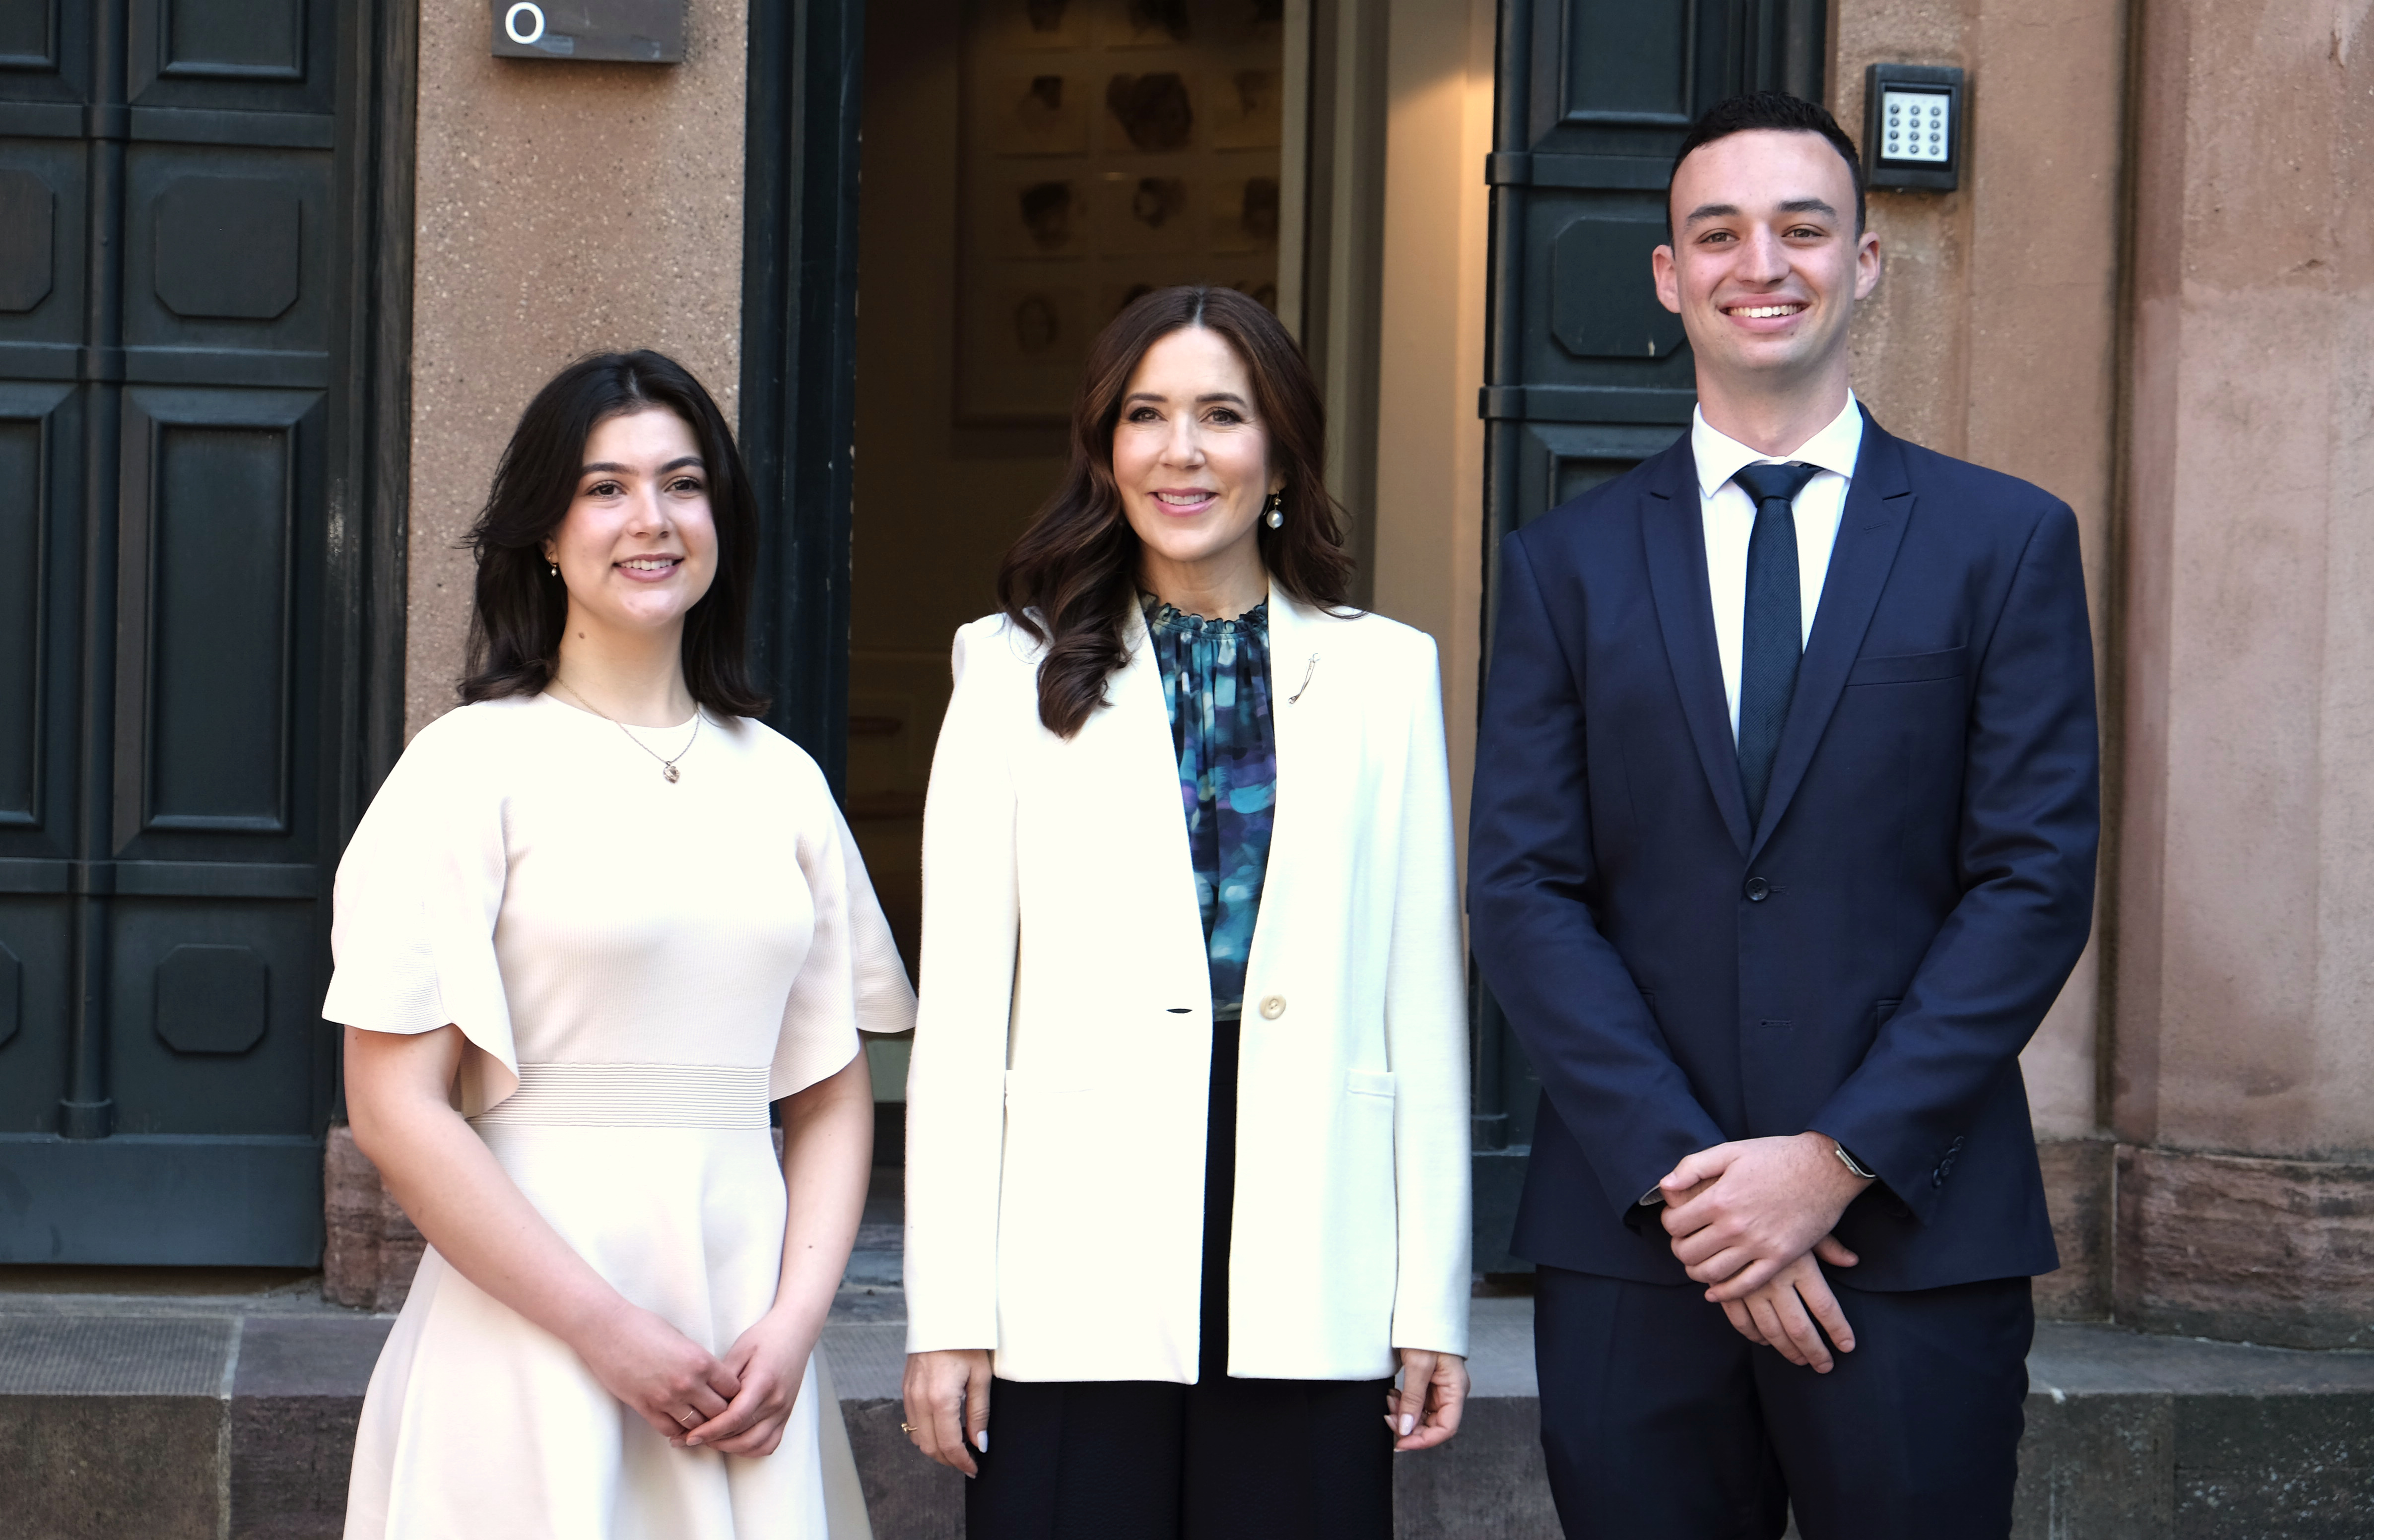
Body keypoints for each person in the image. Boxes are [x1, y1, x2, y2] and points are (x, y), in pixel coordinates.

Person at [1467, 93, 2100, 1539]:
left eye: (1801, 229)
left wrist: (1828, 1164)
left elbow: (2029, 881)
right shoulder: (1560, 565)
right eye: (1718, 232)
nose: (1763, 262)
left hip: (1908, 1235)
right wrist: (1698, 1192)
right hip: (1638, 1245)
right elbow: (1520, 889)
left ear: (1865, 260)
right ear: (1667, 274)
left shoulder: (1998, 543)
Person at [900, 285, 1473, 1539]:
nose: (1182, 449)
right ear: (1105, 449)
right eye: (1146, 414)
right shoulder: (1003, 666)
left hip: (1312, 1235)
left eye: (1223, 414)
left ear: (1278, 450)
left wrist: (1430, 1297)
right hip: (1072, 1260)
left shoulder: (1388, 671)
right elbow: (959, 1019)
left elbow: (1420, 996)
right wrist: (949, 1315)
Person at [328, 350, 912, 1540]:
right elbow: (396, 1108)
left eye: (682, 484)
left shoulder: (785, 781)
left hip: (746, 1331)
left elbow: (829, 1094)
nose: (650, 519)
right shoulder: (465, 768)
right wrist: (603, 1327)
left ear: (719, 519)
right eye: (605, 488)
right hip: (531, 1325)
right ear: (545, 532)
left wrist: (799, 1325)